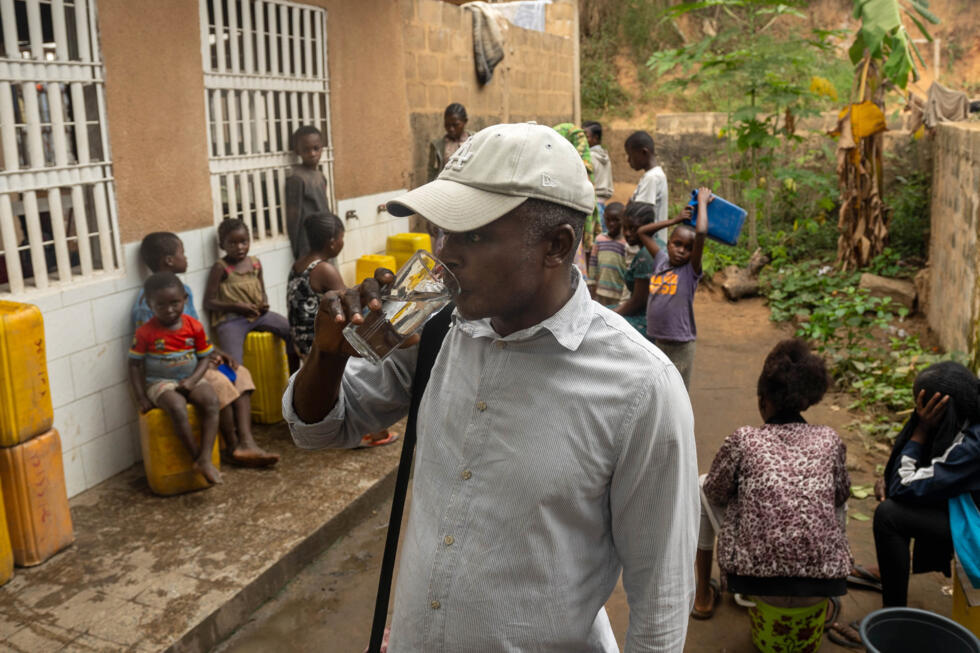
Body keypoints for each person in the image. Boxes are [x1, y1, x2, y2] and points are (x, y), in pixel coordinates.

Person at [284, 122, 698, 652]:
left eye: (473, 234)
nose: (445, 253)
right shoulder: (431, 327)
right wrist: (327, 355)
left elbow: (661, 604)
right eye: (442, 231)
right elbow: (319, 429)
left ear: (557, 245)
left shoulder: (641, 388)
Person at [697, 339, 851, 650]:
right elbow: (839, 497)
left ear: (762, 400)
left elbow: (715, 491)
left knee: (700, 485)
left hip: (753, 581)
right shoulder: (830, 439)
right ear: (806, 401)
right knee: (837, 495)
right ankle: (824, 581)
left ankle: (701, 597)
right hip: (824, 584)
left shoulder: (744, 439)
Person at [134, 233, 279, 467]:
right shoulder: (151, 303)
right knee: (220, 383)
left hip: (199, 357)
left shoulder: (183, 291)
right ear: (169, 260)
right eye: (182, 252)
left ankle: (246, 441)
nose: (186, 257)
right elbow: (161, 347)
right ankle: (233, 447)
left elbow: (194, 333)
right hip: (180, 370)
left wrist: (215, 352)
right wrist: (204, 359)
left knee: (240, 373)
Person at [871, 361, 980, 607]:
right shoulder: (970, 411)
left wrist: (920, 430)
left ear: (943, 410)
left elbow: (904, 484)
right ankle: (890, 568)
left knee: (889, 515)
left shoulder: (973, 445)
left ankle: (893, 618)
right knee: (907, 494)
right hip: (971, 505)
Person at [128, 272, 223, 485]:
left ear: (184, 300)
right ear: (148, 304)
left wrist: (192, 381)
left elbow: (205, 357)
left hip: (192, 377)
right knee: (177, 407)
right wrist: (141, 397)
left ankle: (205, 458)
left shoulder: (193, 326)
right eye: (160, 305)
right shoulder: (145, 332)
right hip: (160, 382)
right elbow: (134, 365)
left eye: (175, 303)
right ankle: (196, 457)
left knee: (212, 402)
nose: (169, 309)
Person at [634, 189, 708, 390]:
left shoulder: (689, 270)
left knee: (677, 394)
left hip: (680, 345)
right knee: (660, 391)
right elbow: (642, 232)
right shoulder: (660, 260)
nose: (681, 250)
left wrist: (702, 202)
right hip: (658, 341)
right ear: (668, 244)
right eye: (677, 244)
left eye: (688, 248)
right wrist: (675, 220)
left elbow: (701, 233)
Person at [204, 219, 295, 370]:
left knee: (291, 331)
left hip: (258, 315)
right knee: (234, 361)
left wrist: (264, 304)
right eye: (232, 243)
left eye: (243, 242)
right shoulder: (220, 268)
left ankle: (294, 376)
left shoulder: (255, 263)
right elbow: (208, 301)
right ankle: (240, 390)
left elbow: (262, 291)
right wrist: (236, 307)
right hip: (231, 320)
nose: (239, 247)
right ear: (222, 245)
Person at [287, 212, 347, 359]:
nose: (343, 242)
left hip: (300, 344)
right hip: (318, 347)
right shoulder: (324, 270)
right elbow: (348, 306)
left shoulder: (298, 265)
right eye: (342, 238)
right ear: (332, 242)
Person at [285, 125, 330, 260]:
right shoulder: (297, 179)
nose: (312, 153)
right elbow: (294, 216)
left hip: (325, 236)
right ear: (297, 151)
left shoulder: (320, 176)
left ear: (322, 148)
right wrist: (296, 247)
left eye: (316, 148)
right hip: (307, 241)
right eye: (306, 149)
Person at [614, 202, 657, 335]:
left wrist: (610, 315)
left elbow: (638, 302)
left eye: (633, 228)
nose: (627, 233)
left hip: (647, 321)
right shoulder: (650, 248)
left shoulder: (646, 256)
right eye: (625, 228)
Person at [625, 130, 669, 248]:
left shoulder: (652, 178)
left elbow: (639, 216)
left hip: (649, 246)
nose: (628, 160)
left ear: (644, 152)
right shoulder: (655, 175)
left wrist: (628, 207)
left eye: (630, 155)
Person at [587, 201, 627, 307]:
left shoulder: (626, 243)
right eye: (608, 220)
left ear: (624, 220)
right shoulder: (600, 240)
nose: (611, 224)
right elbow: (593, 263)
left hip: (620, 294)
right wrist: (591, 283)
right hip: (600, 292)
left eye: (616, 220)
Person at [428, 103, 471, 182]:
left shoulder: (474, 140)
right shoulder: (437, 146)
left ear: (465, 121)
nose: (451, 129)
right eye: (447, 125)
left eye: (456, 125)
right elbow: (431, 172)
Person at [583, 120, 613, 229]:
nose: (583, 141)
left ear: (595, 138)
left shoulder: (588, 157)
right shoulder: (605, 156)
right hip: (603, 205)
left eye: (586, 136)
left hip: (592, 205)